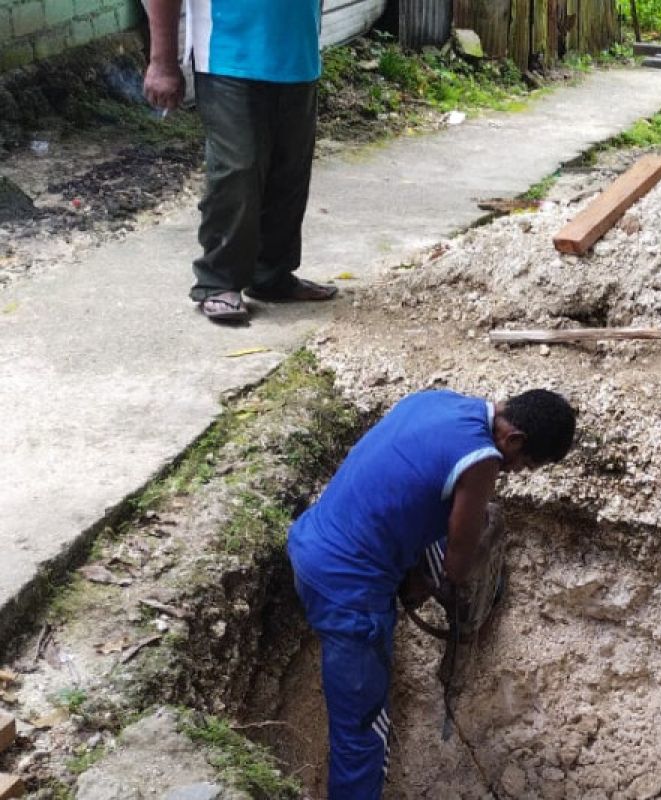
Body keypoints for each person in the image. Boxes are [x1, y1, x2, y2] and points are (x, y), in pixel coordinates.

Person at [287, 388, 577, 798]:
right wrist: (438, 585)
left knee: (461, 519)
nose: (513, 472)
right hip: (347, 588)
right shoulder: (483, 460)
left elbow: (411, 484)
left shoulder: (439, 401)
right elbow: (457, 562)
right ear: (514, 441)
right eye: (523, 464)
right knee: (363, 730)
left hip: (312, 537)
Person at [142, 0, 338, 324]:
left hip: (298, 53)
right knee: (238, 169)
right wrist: (162, 61)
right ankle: (218, 282)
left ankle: (271, 276)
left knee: (289, 172)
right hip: (226, 51)